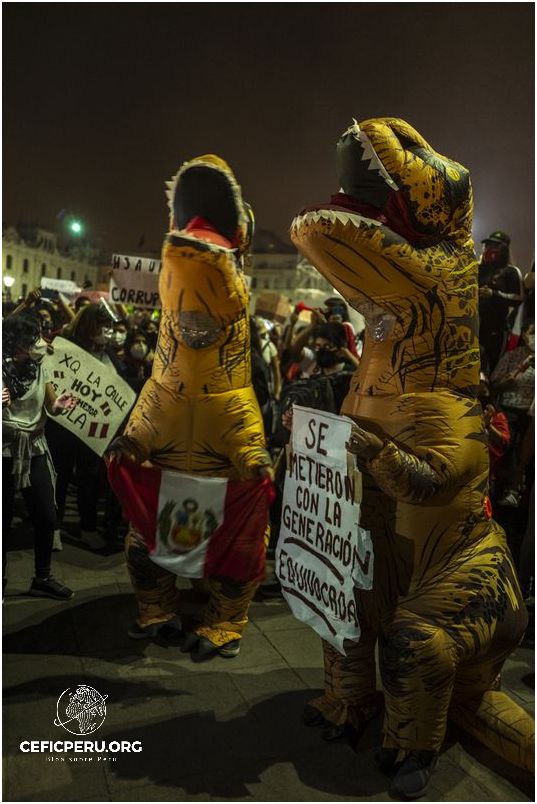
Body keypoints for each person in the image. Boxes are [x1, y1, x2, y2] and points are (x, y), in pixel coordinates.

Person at [3, 314, 78, 600]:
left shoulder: (40, 367)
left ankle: (43, 576)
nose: (41, 343)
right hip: (4, 452)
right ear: (15, 344)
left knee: (47, 515)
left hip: (34, 448)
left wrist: (59, 405)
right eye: (33, 338)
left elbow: (51, 404)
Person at [46, 303, 119, 551]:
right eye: (103, 325)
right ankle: (52, 528)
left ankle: (87, 528)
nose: (107, 331)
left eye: (109, 326)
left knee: (89, 478)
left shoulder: (110, 355)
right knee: (61, 477)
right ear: (89, 325)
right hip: (63, 426)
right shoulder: (65, 347)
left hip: (91, 431)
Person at [490, 324, 535, 506]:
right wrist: (513, 376)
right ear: (524, 335)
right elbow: (494, 382)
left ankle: (515, 490)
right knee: (507, 447)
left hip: (530, 415)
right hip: (509, 409)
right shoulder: (513, 357)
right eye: (532, 332)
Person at [478, 231, 524, 372]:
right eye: (487, 245)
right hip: (474, 328)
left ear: (504, 249)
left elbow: (518, 298)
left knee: (493, 369)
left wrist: (493, 294)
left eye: (494, 246)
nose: (489, 249)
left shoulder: (511, 272)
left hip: (496, 331)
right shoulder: (478, 269)